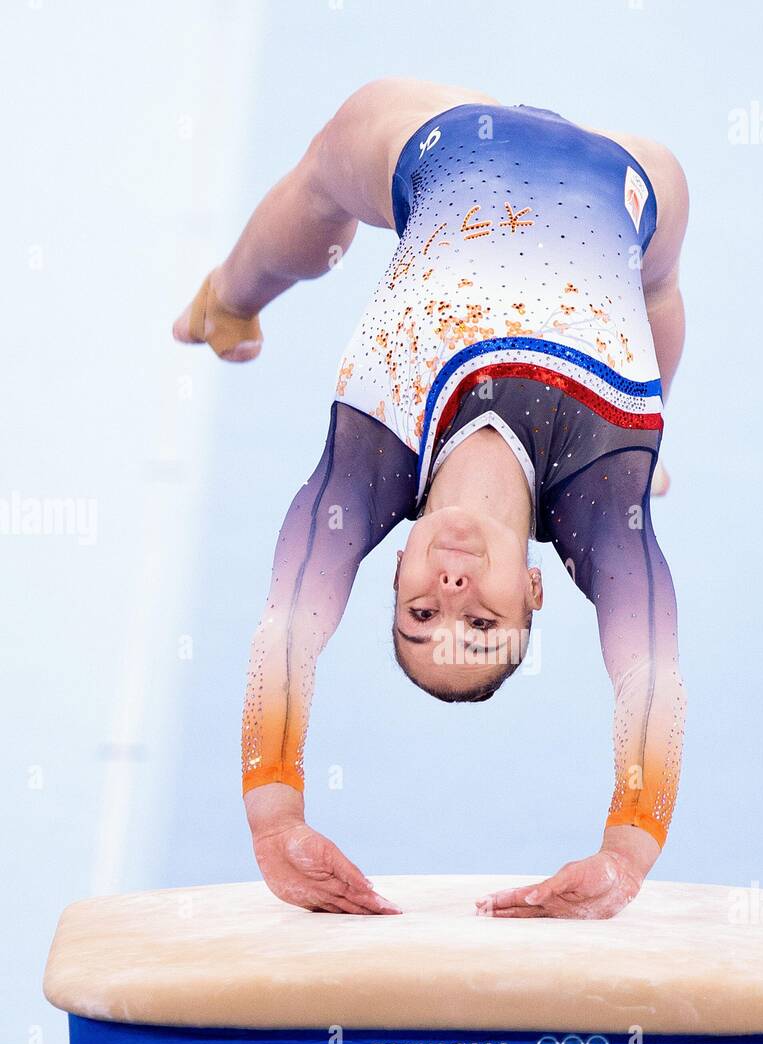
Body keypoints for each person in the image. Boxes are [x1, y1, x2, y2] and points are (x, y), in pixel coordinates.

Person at [173, 78, 688, 919]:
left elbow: (288, 628)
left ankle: (227, 302)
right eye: (481, 624)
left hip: (438, 141)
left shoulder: (368, 467)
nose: (448, 599)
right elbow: (650, 673)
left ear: (393, 563)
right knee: (655, 284)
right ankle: (658, 428)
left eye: (418, 618)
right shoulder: (600, 506)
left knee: (322, 184)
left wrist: (275, 818)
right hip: (632, 182)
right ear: (533, 590)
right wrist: (626, 851)